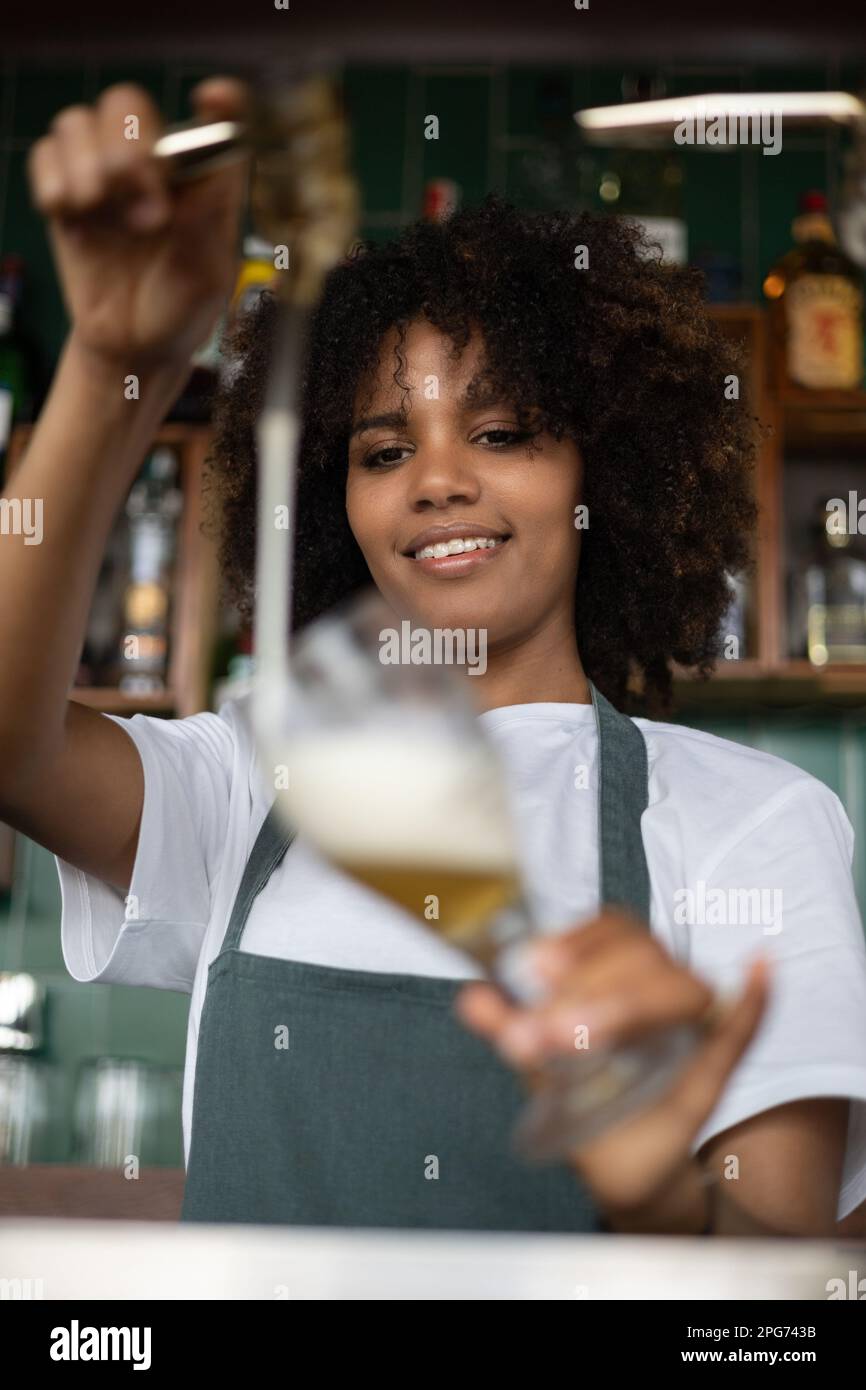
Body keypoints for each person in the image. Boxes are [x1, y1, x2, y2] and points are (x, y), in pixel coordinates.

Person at [2, 76, 865, 1237]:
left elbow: (784, 1303)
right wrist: (117, 362)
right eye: (383, 446)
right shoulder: (248, 779)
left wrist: (665, 1194)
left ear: (600, 472)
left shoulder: (749, 822)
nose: (437, 478)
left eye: (502, 432)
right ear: (332, 501)